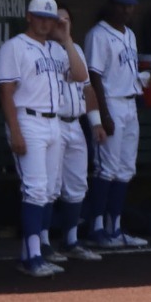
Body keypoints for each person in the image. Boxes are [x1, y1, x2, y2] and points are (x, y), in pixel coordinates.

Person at [0, 0, 87, 277]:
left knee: (48, 191)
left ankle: (32, 253)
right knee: (35, 189)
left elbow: (81, 75)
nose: (45, 23)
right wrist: (15, 130)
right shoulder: (14, 46)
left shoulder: (56, 49)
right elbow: (6, 92)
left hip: (54, 123)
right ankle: (32, 258)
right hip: (28, 119)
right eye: (40, 17)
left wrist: (67, 39)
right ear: (28, 17)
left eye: (50, 19)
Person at [84, 0, 151, 249]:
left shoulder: (130, 34)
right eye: (122, 5)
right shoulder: (97, 34)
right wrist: (103, 115)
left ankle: (115, 227)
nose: (127, 11)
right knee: (107, 169)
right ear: (111, 4)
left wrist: (139, 81)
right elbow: (94, 77)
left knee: (126, 169)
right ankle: (97, 227)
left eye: (131, 6)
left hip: (129, 103)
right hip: (110, 102)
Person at [48, 27, 101, 263]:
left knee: (78, 184)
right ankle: (42, 242)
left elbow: (87, 87)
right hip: (53, 122)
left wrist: (96, 122)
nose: (61, 25)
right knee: (49, 186)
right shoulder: (43, 50)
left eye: (67, 21)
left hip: (75, 124)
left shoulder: (75, 48)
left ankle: (70, 240)